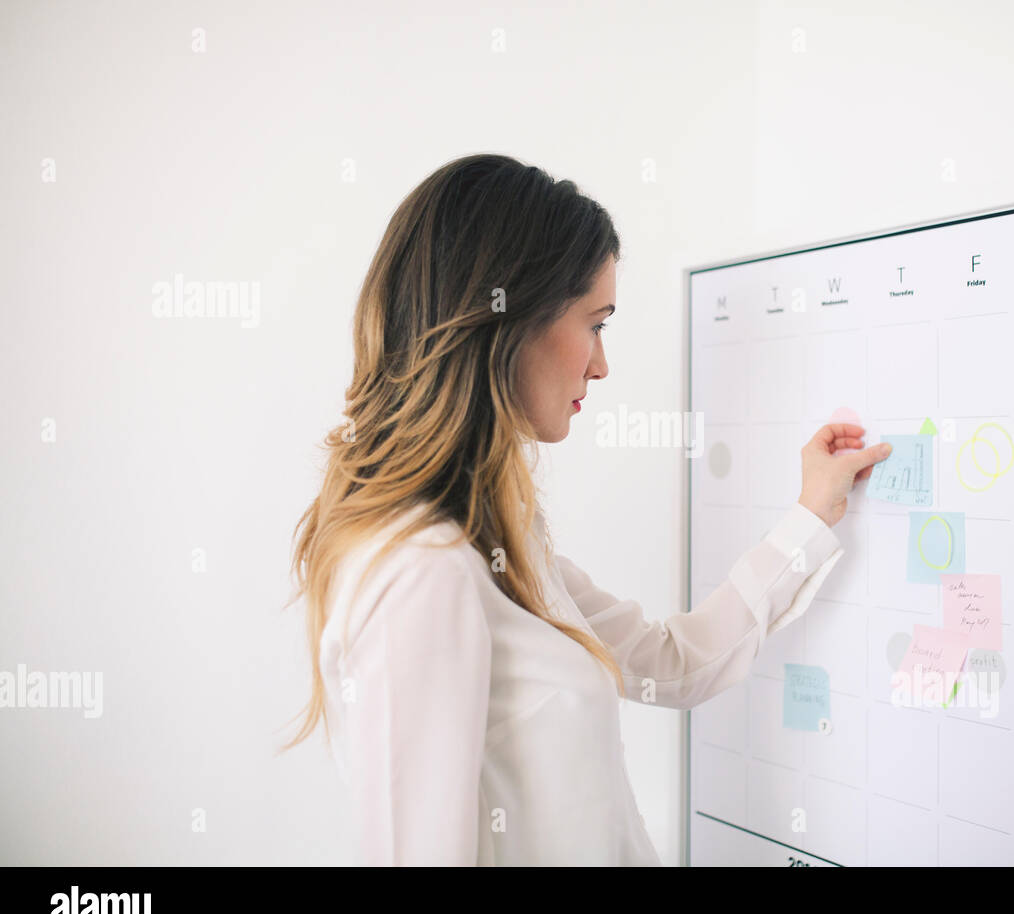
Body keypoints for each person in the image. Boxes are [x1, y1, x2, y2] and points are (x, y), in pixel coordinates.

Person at [283, 153, 892, 865]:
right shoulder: (422, 571)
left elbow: (675, 661)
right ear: (506, 319)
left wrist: (811, 516)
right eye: (595, 323)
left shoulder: (500, 542)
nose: (601, 365)